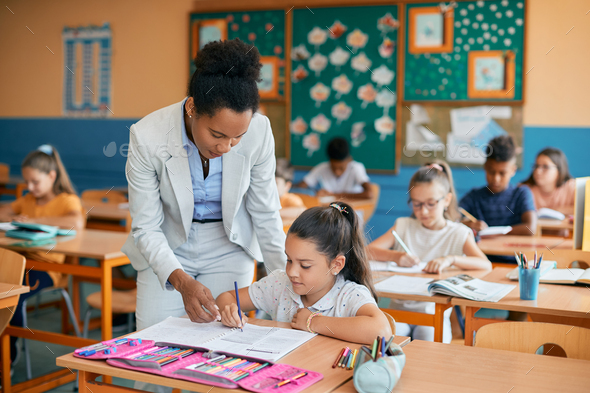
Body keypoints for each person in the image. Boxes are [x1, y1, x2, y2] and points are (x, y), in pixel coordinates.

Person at [122, 38, 287, 341]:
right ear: (192, 107)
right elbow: (145, 227)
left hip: (229, 245)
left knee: (222, 346)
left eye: (238, 137)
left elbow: (266, 215)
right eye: (217, 134)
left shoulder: (261, 132)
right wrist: (182, 282)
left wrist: (288, 287)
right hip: (168, 245)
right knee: (151, 349)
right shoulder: (147, 136)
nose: (226, 147)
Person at [216, 202, 392, 344]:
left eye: (305, 265)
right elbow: (226, 297)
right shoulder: (279, 284)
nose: (292, 272)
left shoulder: (348, 295)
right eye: (289, 260)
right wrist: (229, 310)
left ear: (336, 265)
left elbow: (381, 331)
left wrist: (312, 322)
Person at [367, 161, 491, 343]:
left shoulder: (457, 232)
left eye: (431, 204)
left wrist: (450, 259)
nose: (423, 211)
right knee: (389, 342)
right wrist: (397, 256)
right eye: (416, 204)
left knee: (431, 346)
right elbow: (367, 251)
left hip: (434, 311)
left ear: (446, 200)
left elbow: (485, 264)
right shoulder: (404, 225)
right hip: (399, 310)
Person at [0, 144, 85, 365]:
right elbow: (5, 211)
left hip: (48, 268)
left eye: (35, 182)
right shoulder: (28, 200)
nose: (29, 187)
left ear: (52, 175)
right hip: (18, 263)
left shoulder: (66, 200)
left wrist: (36, 220)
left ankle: (8, 356)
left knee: (11, 298)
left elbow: (76, 222)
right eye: (26, 182)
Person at [459, 135, 537, 236]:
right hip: (481, 251)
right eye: (491, 172)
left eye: (502, 173)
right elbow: (452, 219)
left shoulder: (521, 194)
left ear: (513, 170)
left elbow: (530, 229)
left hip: (513, 252)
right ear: (485, 167)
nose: (496, 179)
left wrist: (495, 233)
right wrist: (468, 224)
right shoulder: (474, 197)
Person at [297, 137, 373, 199]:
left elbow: (369, 194)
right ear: (329, 161)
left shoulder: (356, 168)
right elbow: (300, 187)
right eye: (333, 167)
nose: (337, 172)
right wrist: (316, 192)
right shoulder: (323, 167)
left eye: (341, 168)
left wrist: (334, 195)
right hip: (330, 215)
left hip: (351, 213)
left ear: (349, 159)